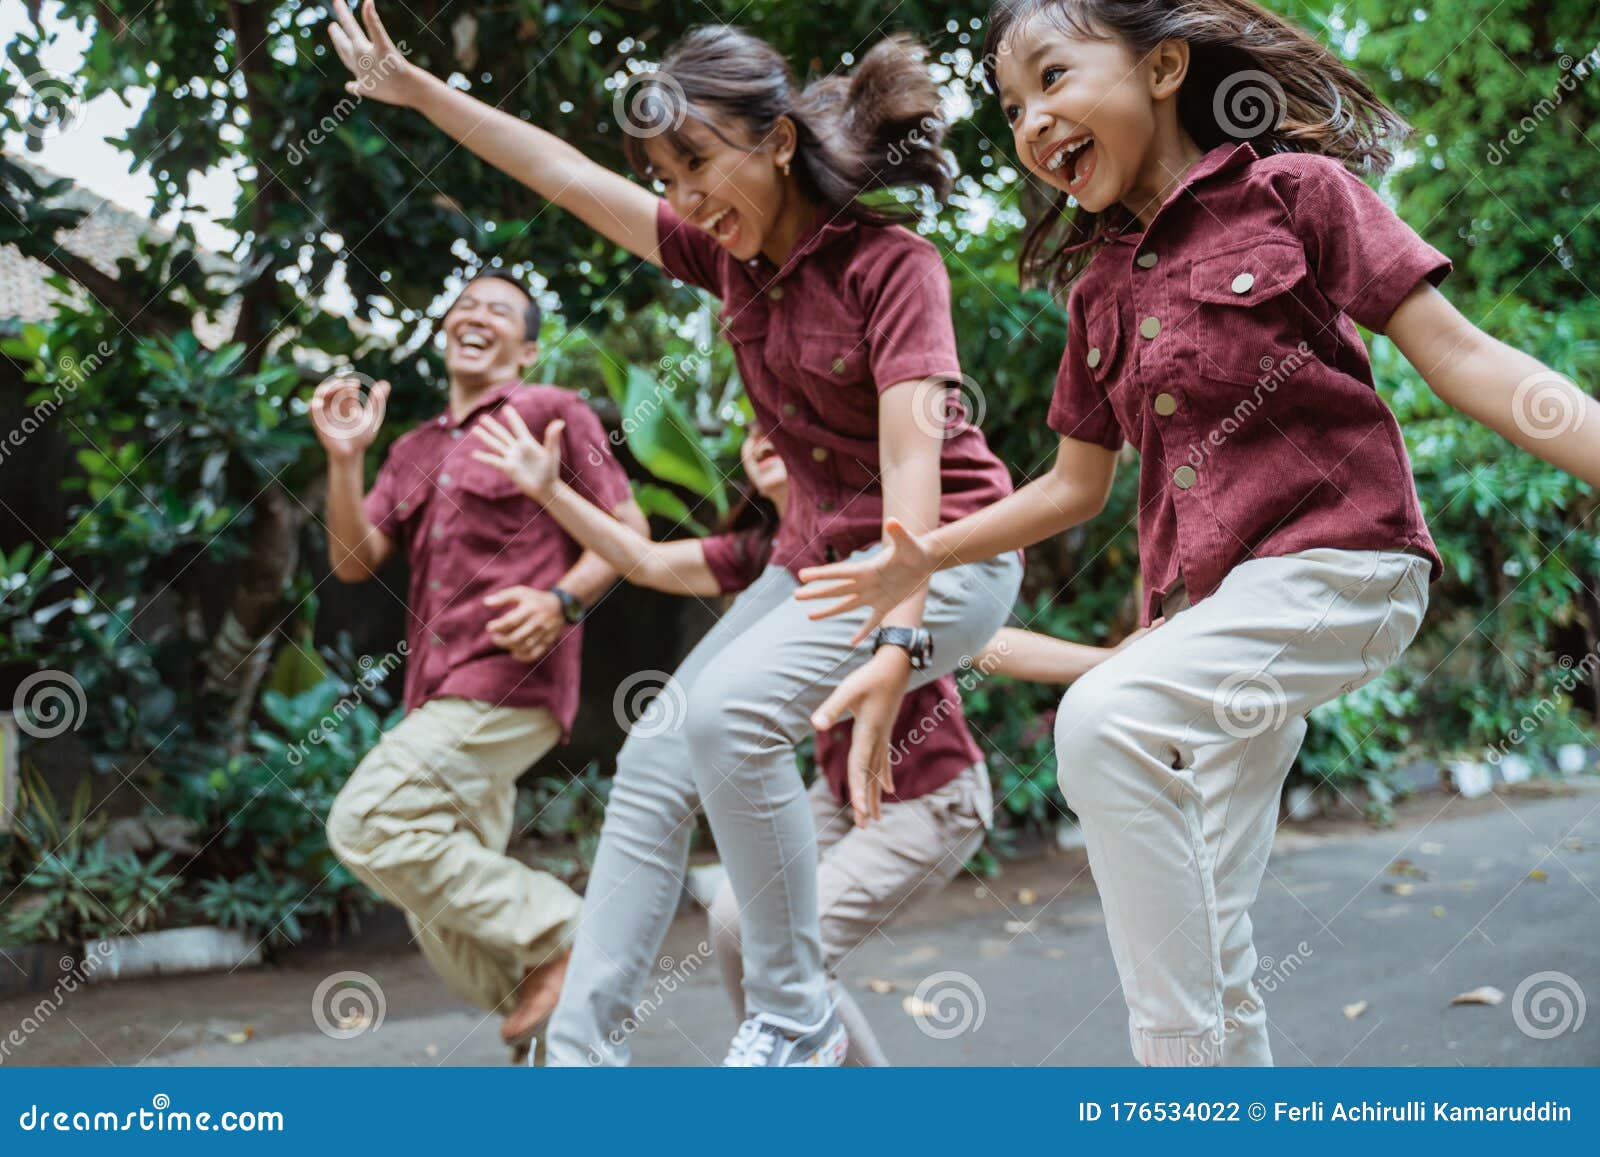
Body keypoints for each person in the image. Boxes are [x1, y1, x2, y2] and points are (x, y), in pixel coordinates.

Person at [796, 0, 1600, 1067]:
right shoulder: (1097, 293)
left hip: (1339, 563)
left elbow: (1461, 359)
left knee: (1099, 719)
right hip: (1214, 623)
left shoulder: (1295, 196)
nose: (1031, 122)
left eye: (1052, 78)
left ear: (1164, 65)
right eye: (1009, 106)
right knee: (1208, 924)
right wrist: (926, 552)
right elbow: (1072, 486)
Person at [328, 2, 1024, 1066]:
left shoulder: (893, 266)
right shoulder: (728, 261)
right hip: (821, 566)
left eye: (700, 163)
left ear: (777, 139)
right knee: (658, 747)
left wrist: (897, 634)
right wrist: (419, 89)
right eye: (668, 176)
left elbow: (911, 459)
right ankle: (579, 1051)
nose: (686, 197)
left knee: (728, 719)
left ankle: (791, 1016)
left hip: (943, 554)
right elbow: (560, 173)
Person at [471, 413, 1150, 1063]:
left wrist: (1106, 659)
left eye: (779, 429)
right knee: (739, 923)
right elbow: (646, 560)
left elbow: (987, 641)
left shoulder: (884, 550)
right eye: (751, 432)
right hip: (838, 794)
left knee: (797, 950)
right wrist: (553, 489)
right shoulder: (772, 563)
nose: (764, 437)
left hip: (923, 795)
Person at [314, 269, 645, 1055]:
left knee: (367, 822)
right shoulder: (414, 447)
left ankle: (568, 933)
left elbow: (628, 531)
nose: (473, 315)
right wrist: (344, 458)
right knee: (442, 911)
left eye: (497, 309)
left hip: (508, 678)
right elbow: (354, 560)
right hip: (433, 691)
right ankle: (565, 1042)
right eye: (461, 304)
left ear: (526, 350)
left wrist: (561, 599)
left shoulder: (551, 413)